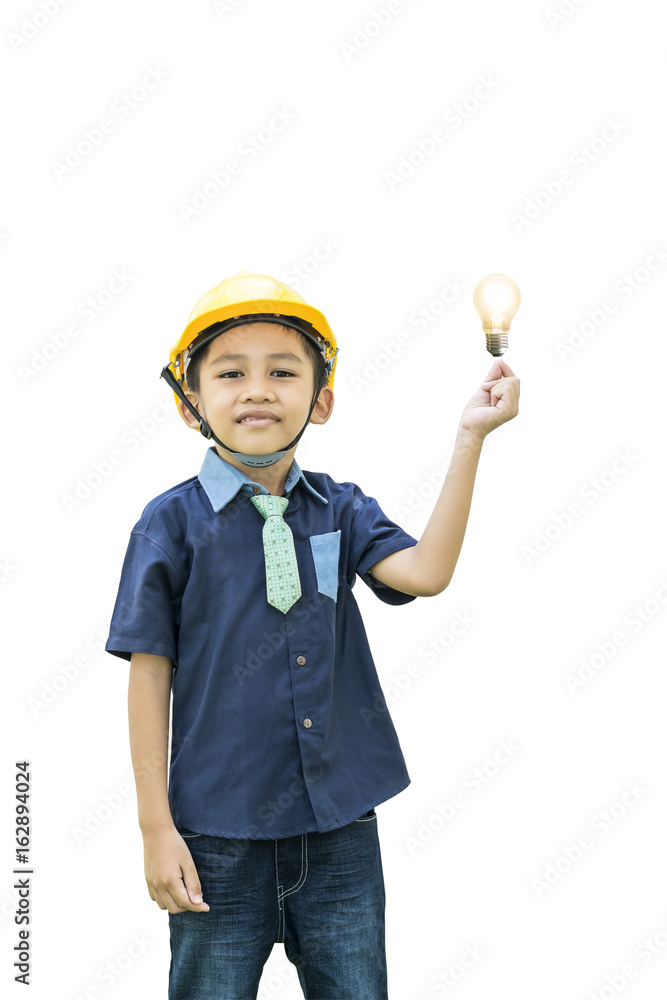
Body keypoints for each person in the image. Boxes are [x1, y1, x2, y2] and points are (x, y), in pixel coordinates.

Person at [104, 269, 520, 999]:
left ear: (320, 400)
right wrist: (154, 829)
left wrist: (469, 439)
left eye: (283, 372)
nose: (257, 389)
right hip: (215, 834)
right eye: (230, 372)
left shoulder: (341, 509)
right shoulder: (168, 525)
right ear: (189, 402)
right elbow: (149, 672)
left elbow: (423, 572)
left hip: (339, 831)